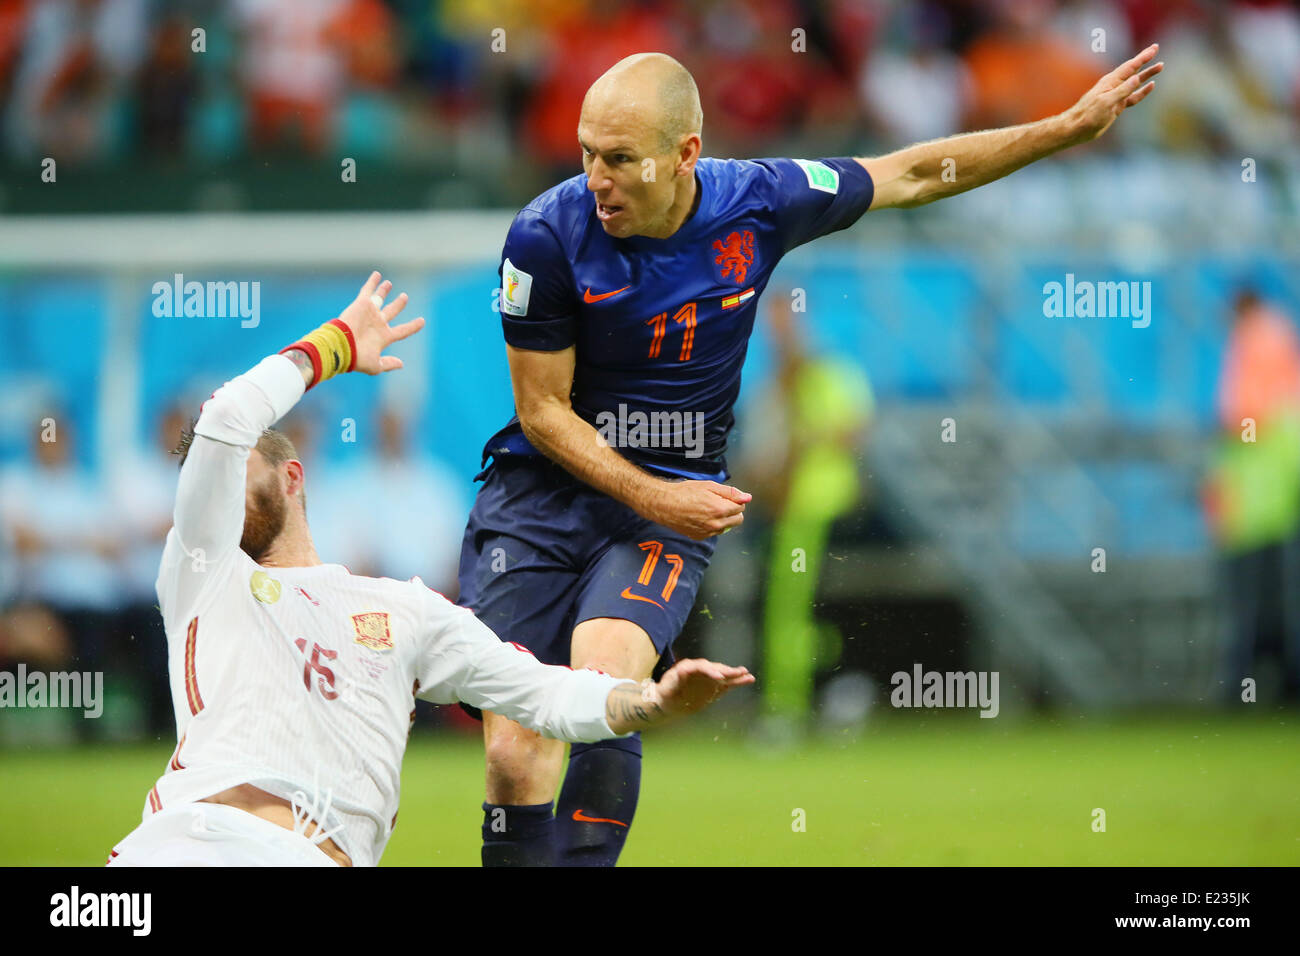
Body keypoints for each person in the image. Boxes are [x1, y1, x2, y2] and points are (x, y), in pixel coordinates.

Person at [458, 47, 1163, 867]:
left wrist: (1064, 129)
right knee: (517, 754)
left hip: (670, 504)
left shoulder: (761, 201)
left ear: (686, 153)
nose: (595, 178)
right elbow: (543, 414)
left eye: (619, 159)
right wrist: (655, 496)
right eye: (585, 153)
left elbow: (912, 175)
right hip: (542, 501)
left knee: (614, 691)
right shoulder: (545, 236)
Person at [106, 273, 752, 868]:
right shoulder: (205, 576)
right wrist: (333, 345)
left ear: (291, 475)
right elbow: (223, 420)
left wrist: (654, 701)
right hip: (171, 849)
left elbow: (549, 696)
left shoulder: (406, 610)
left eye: (232, 471)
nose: (211, 491)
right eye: (199, 480)